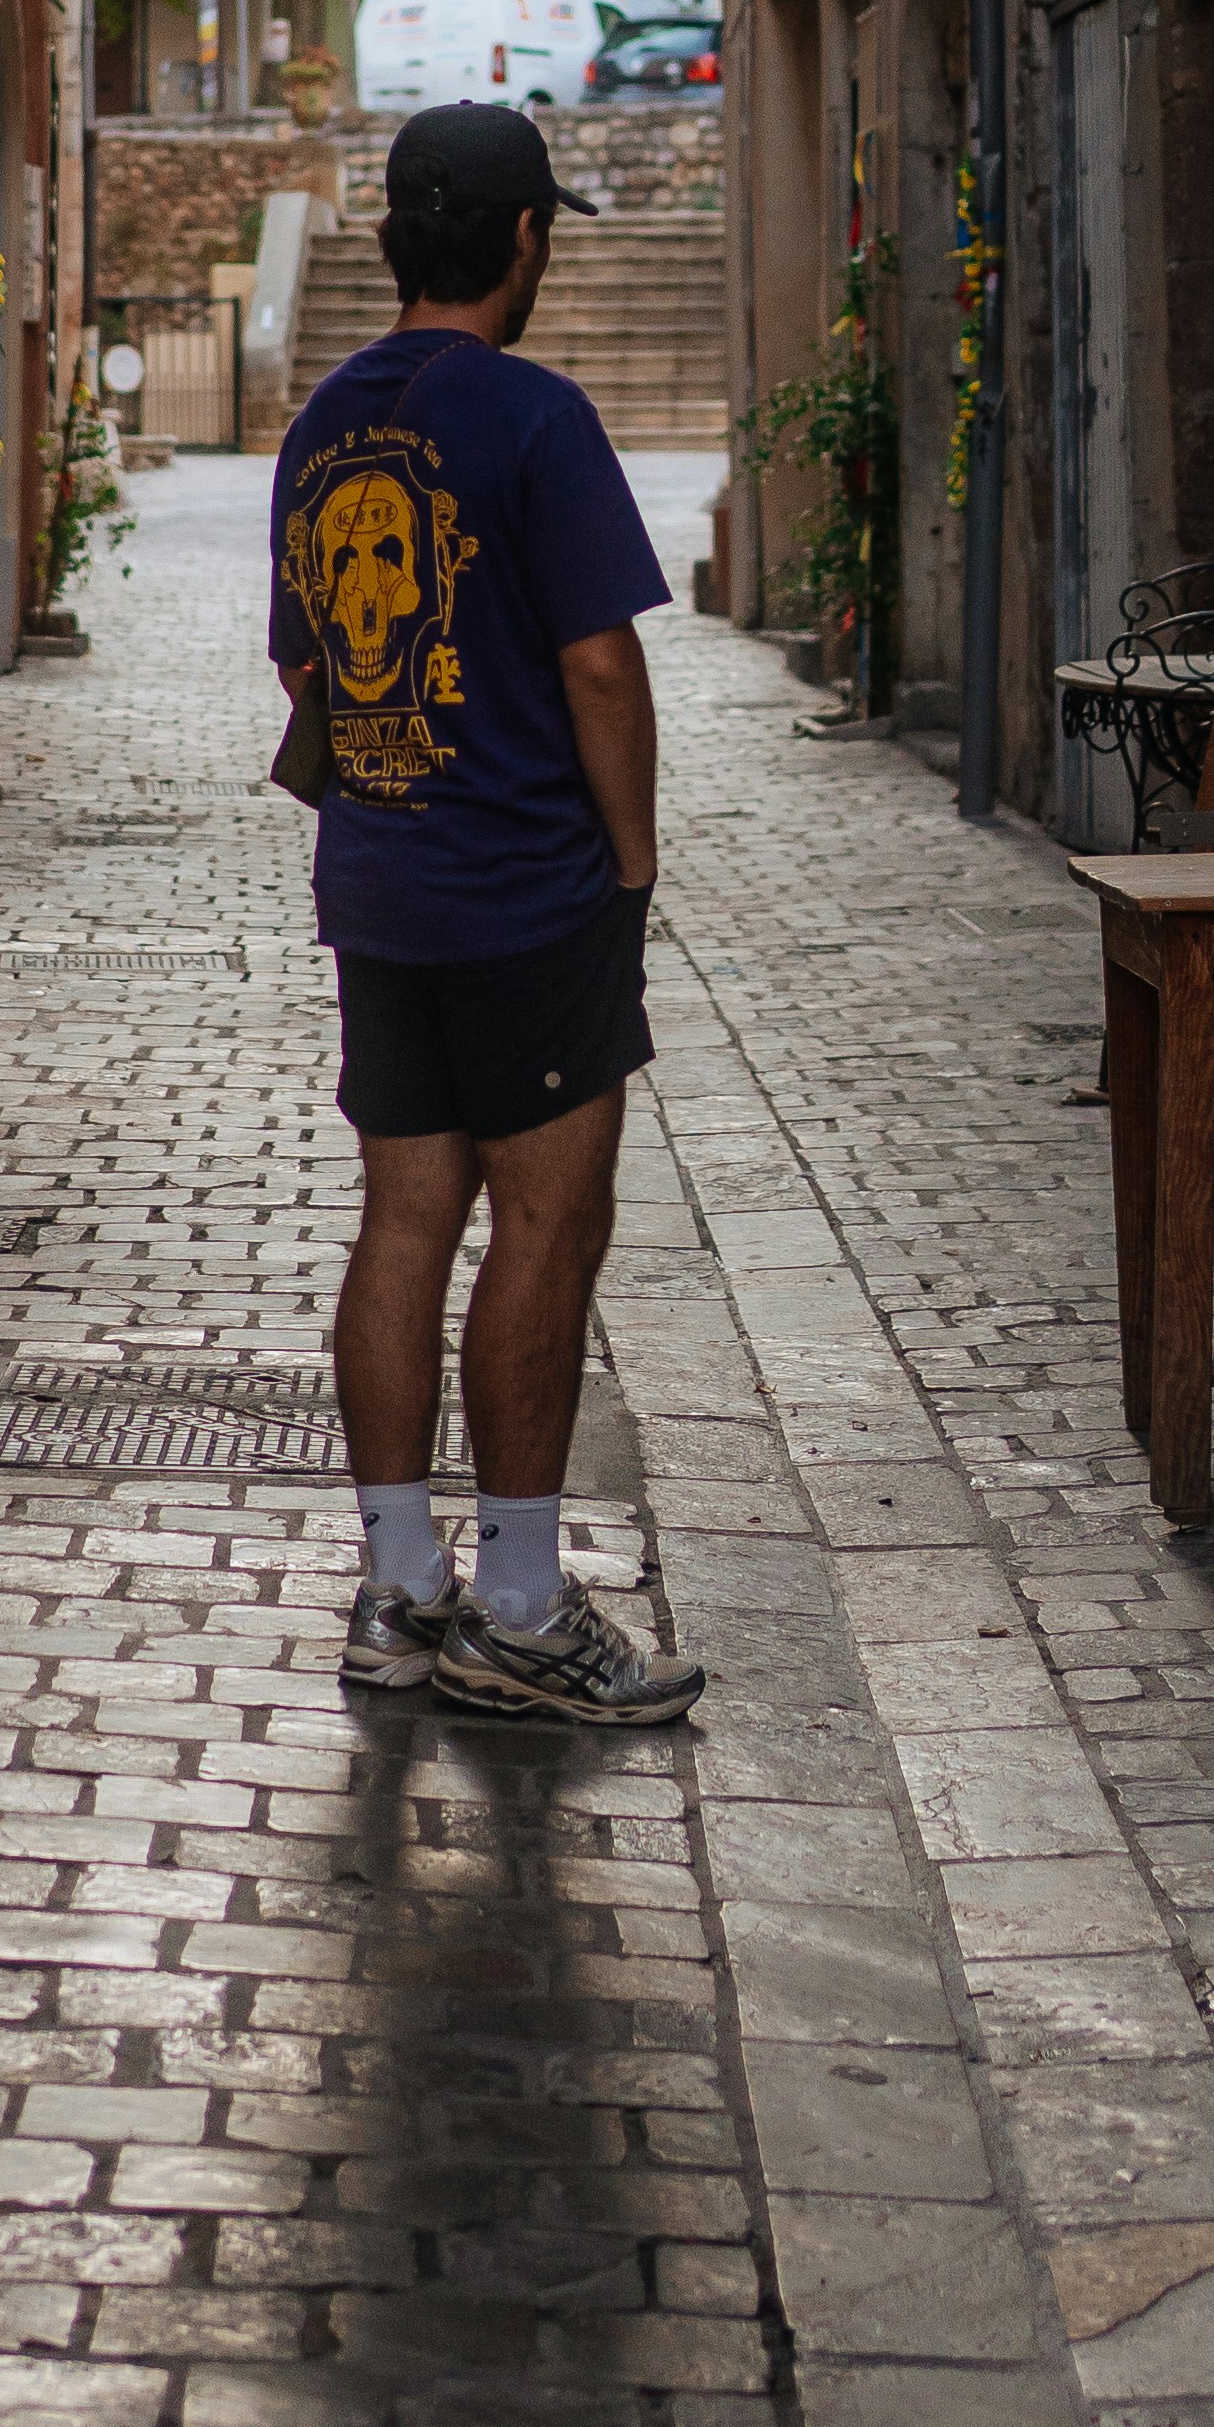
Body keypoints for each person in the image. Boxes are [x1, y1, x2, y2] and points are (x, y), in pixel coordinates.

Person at [266, 102, 704, 1730]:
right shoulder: (535, 415)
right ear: (526, 241)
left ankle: (398, 1590)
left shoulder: (325, 425)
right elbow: (602, 659)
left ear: (393, 236)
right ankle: (520, 1607)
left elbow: (307, 663)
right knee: (546, 1228)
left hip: (379, 884)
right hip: (528, 888)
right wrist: (635, 864)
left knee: (401, 1225)